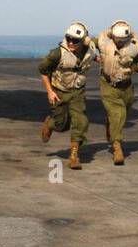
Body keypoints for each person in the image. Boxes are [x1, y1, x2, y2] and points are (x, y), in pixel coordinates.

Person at [38, 21, 95, 169]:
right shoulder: (57, 53)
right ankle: (50, 123)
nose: (70, 42)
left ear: (84, 41)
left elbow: (102, 43)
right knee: (61, 125)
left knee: (81, 121)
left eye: (75, 40)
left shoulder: (90, 49)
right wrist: (50, 92)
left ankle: (74, 156)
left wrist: (99, 58)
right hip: (59, 91)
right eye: (68, 38)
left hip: (78, 91)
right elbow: (43, 71)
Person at [95, 20, 138, 166]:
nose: (119, 43)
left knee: (122, 114)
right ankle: (117, 147)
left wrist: (132, 68)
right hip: (108, 85)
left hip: (126, 87)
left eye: (123, 40)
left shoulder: (135, 46)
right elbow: (86, 46)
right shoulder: (102, 41)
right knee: (119, 113)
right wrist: (94, 57)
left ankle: (111, 126)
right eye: (117, 40)